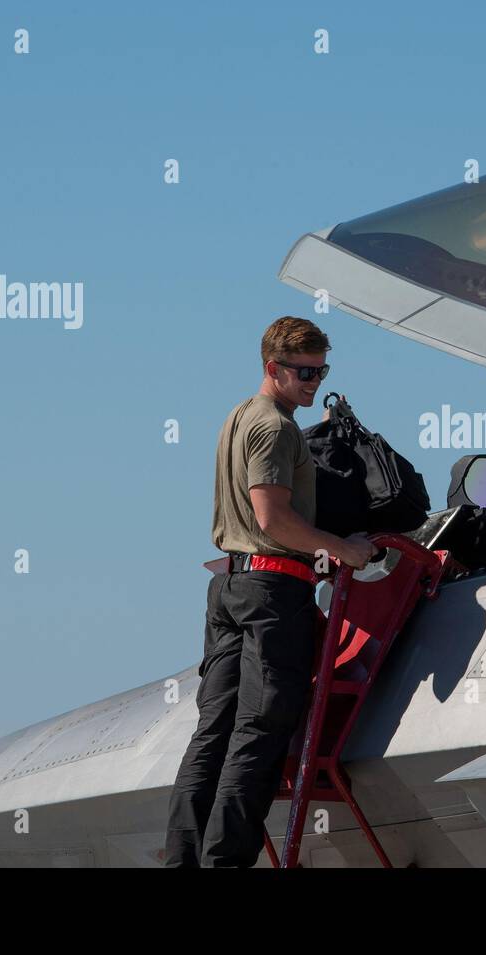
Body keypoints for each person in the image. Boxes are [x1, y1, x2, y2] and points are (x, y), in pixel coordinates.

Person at [164, 316, 374, 868]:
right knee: (260, 729)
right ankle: (226, 862)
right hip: (271, 590)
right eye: (304, 372)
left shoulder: (237, 417)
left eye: (321, 370)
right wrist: (341, 547)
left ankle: (183, 860)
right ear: (272, 368)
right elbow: (273, 518)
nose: (314, 381)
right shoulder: (276, 428)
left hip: (230, 587)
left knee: (213, 731)